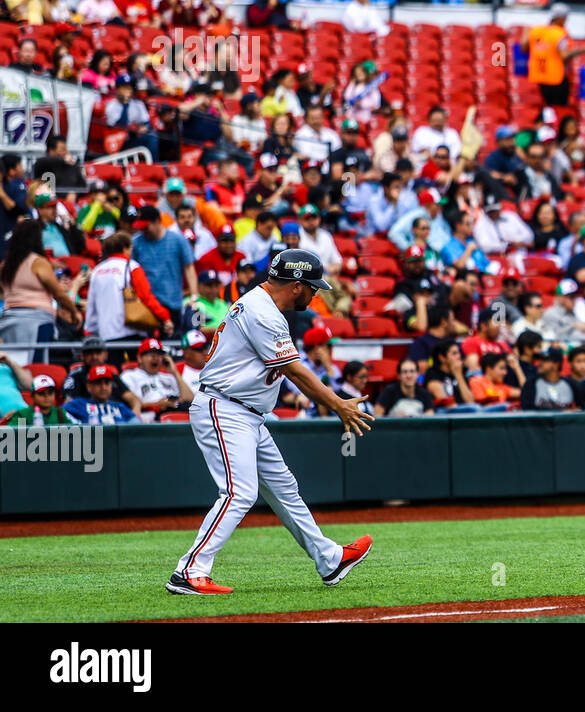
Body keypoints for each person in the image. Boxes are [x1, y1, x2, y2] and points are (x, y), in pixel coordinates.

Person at [167, 249, 373, 595]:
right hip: (226, 406)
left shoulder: (261, 305)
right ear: (295, 286)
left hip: (245, 412)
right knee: (239, 492)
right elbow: (294, 371)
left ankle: (329, 558)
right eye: (312, 287)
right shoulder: (263, 312)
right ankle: (189, 571)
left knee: (283, 488)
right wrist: (338, 404)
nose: (315, 293)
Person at [0, 219, 82, 358]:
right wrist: (74, 312)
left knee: (13, 362)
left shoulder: (5, 265)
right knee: (36, 365)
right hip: (37, 321)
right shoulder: (38, 262)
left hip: (9, 320)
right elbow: (58, 293)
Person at [64, 364, 139, 425]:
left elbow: (138, 428)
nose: (103, 387)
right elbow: (57, 414)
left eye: (107, 383)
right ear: (89, 386)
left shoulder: (120, 407)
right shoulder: (78, 404)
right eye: (98, 383)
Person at [520, 346, 576, 411]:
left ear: (556, 364)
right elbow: (527, 411)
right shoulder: (531, 384)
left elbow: (580, 409)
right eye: (540, 359)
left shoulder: (571, 384)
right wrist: (561, 411)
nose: (540, 363)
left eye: (545, 360)